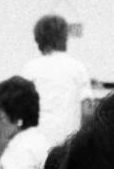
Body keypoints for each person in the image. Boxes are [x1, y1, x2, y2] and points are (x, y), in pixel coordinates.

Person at [21, 14, 90, 146]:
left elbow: (20, 109)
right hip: (68, 145)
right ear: (64, 38)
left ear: (38, 40)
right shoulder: (78, 68)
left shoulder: (29, 69)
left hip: (35, 144)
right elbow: (87, 112)